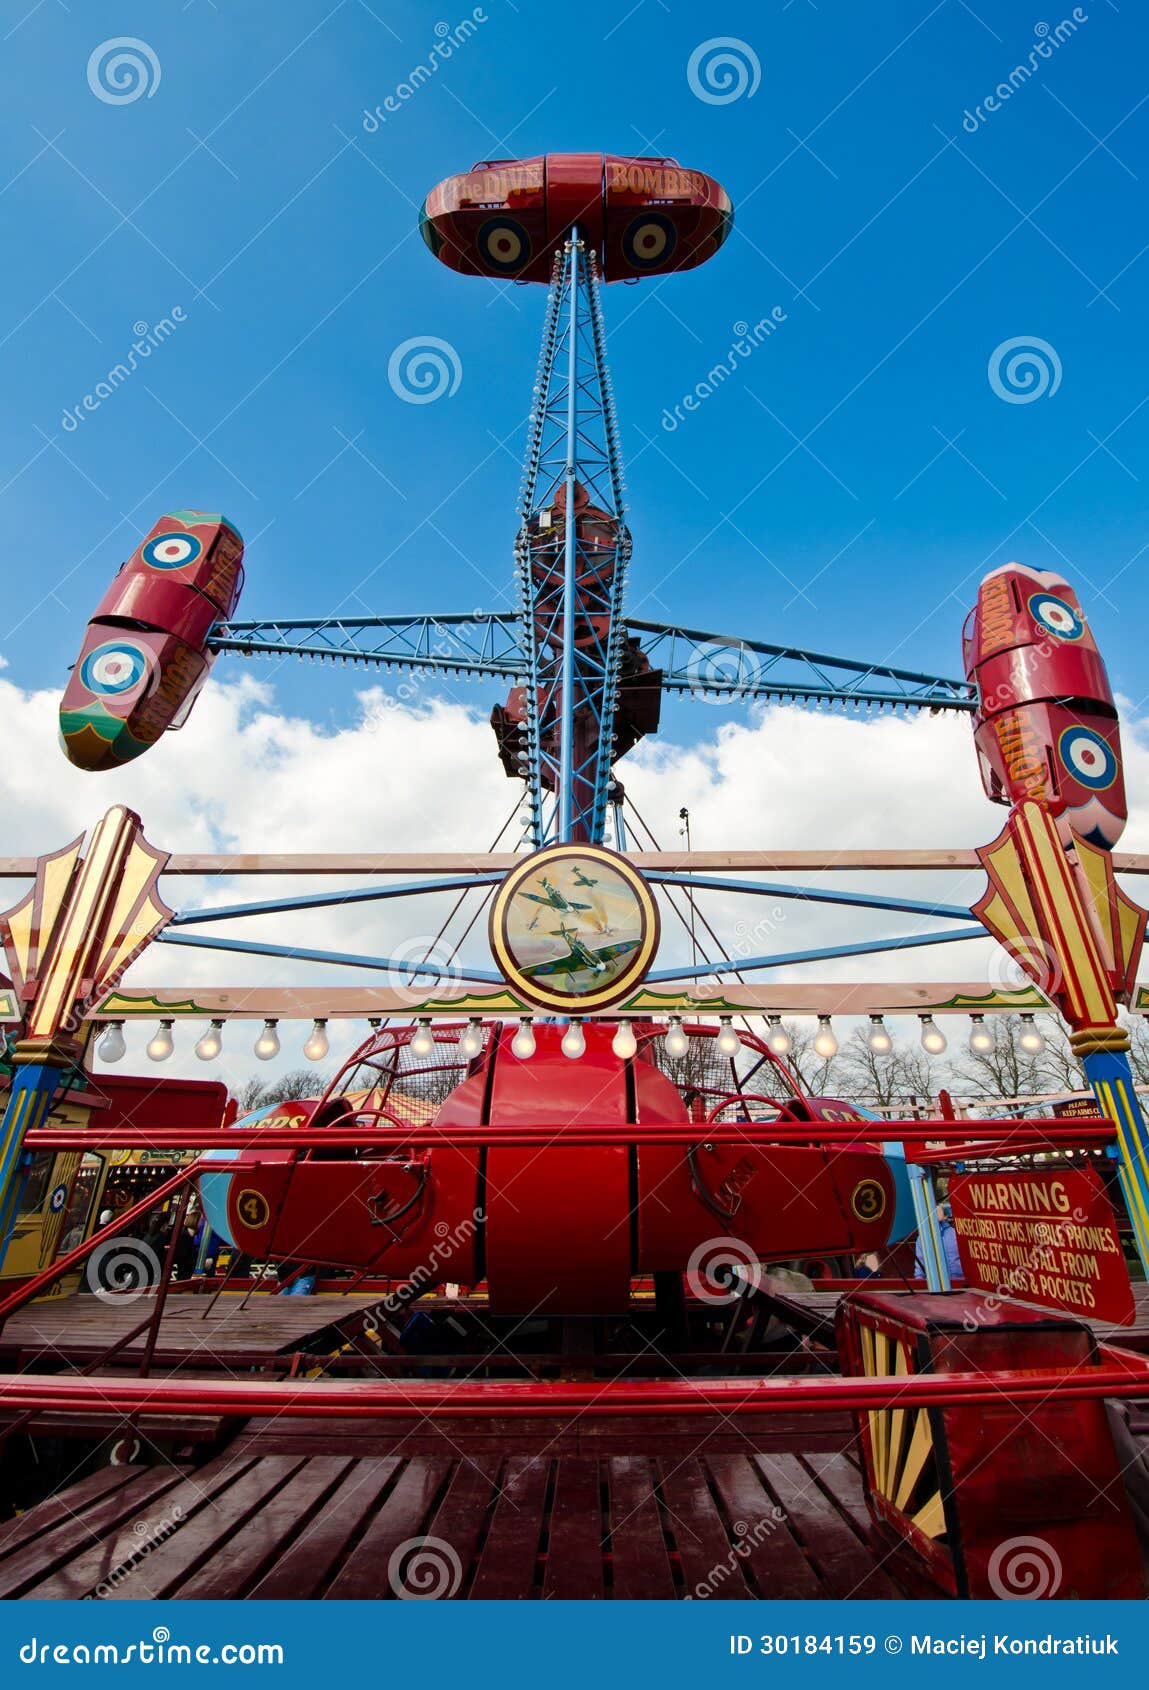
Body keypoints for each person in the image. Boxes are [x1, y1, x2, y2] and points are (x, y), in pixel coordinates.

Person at [914, 1201, 962, 1281]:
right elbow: (920, 1263)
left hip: (960, 1282)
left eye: (936, 1209)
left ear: (946, 1216)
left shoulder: (956, 1234)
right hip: (935, 1285)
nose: (933, 1210)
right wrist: (919, 1281)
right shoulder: (923, 1237)